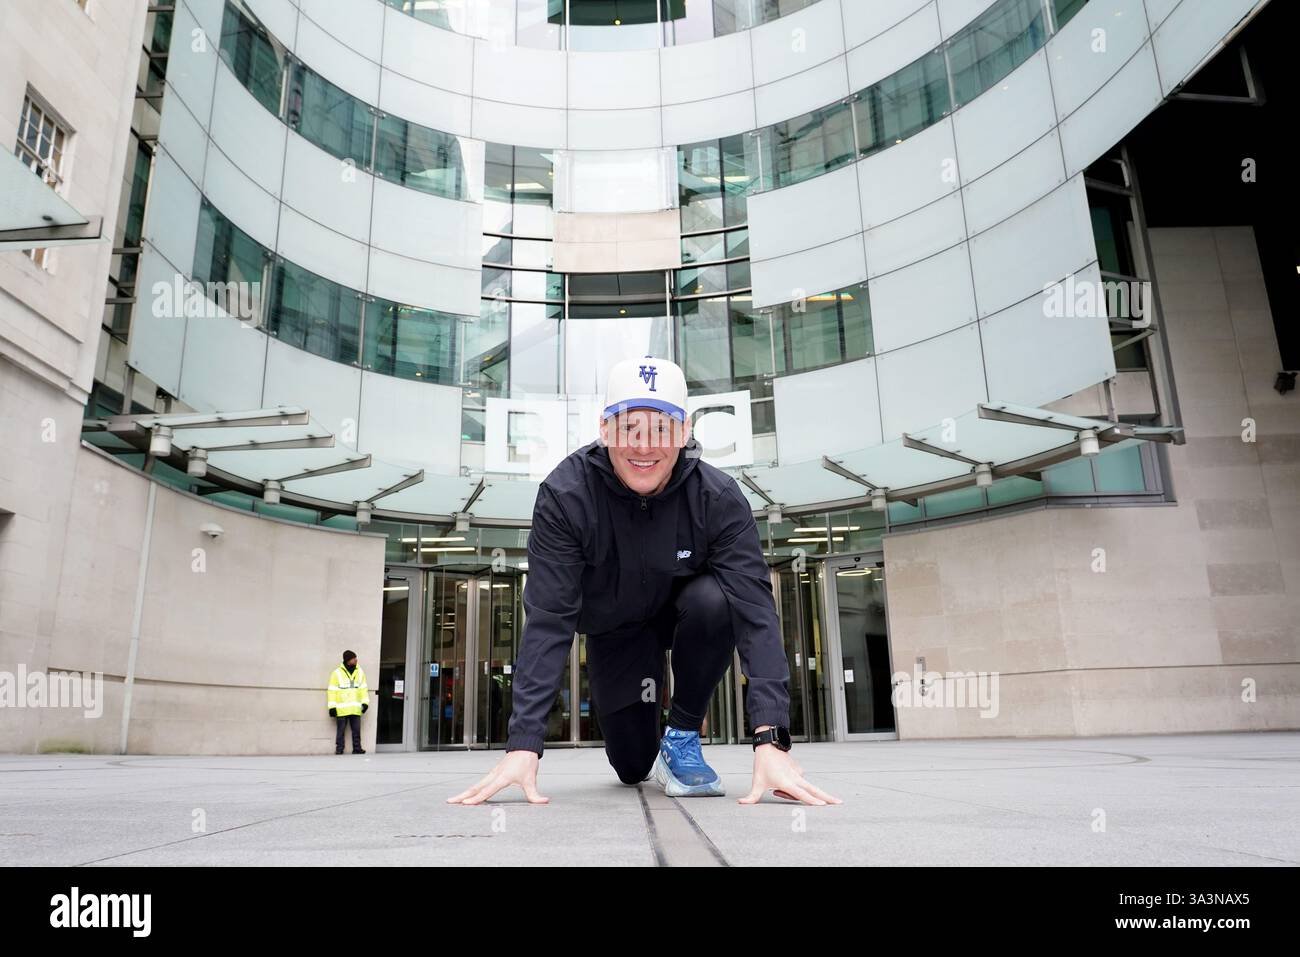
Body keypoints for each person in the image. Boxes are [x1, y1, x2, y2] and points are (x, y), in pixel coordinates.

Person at [448, 355, 841, 807]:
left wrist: (771, 739)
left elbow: (756, 613)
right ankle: (648, 745)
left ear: (685, 431)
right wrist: (523, 744)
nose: (644, 446)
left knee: (720, 600)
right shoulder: (565, 497)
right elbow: (549, 620)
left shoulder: (717, 498)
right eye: (628, 427)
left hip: (686, 613)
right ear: (604, 428)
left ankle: (683, 735)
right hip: (616, 631)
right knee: (632, 766)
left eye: (662, 428)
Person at [328, 651, 369, 755]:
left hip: (355, 708)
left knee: (356, 731)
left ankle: (357, 748)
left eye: (356, 657)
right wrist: (332, 707)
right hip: (341, 709)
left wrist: (365, 703)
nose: (356, 659)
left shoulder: (360, 672)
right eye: (353, 658)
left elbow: (363, 689)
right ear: (347, 660)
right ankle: (339, 749)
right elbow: (332, 690)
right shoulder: (336, 673)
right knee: (340, 731)